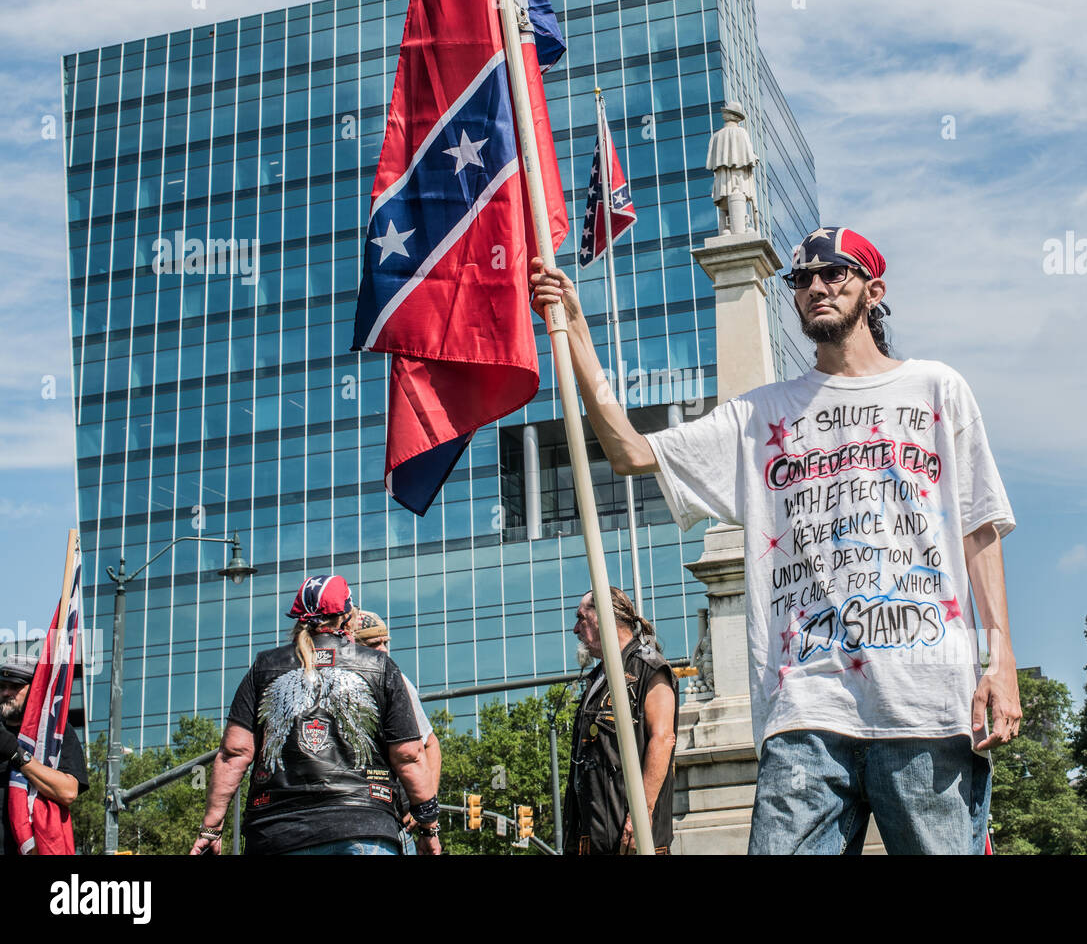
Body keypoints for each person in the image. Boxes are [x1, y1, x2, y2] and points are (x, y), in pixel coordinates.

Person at [531, 224, 1021, 856]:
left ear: (874, 291)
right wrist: (574, 329)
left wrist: (999, 661)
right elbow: (629, 451)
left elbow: (981, 526)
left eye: (834, 273)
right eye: (802, 279)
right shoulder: (759, 415)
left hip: (925, 701)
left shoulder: (936, 388)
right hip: (804, 710)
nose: (816, 286)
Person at [189, 575, 438, 856]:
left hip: (277, 832)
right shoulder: (380, 667)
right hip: (364, 827)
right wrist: (429, 827)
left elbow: (234, 753)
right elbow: (409, 755)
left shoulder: (264, 667)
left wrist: (211, 828)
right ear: (347, 617)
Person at [563, 587, 677, 855]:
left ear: (603, 616)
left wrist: (641, 815)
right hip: (593, 842)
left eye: (581, 618)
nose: (576, 630)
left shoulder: (649, 667)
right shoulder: (597, 679)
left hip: (632, 843)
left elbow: (663, 738)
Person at [354, 610, 442, 855]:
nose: (383, 650)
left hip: (392, 821)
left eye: (385, 643)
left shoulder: (394, 681)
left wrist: (424, 810)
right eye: (373, 644)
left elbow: (429, 745)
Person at [0, 655, 88, 855]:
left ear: (36, 690)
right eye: (2, 686)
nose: (6, 693)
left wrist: (17, 754)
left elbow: (68, 791)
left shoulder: (56, 733)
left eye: (15, 687)